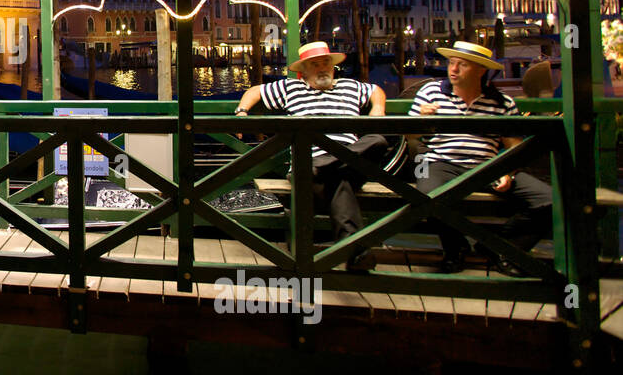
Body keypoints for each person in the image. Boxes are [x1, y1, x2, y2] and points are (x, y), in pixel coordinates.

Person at [234, 41, 388, 271]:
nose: (322, 68)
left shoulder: (349, 86)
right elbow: (255, 91)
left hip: (334, 164)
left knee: (378, 142)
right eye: (315, 64)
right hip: (314, 167)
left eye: (326, 62)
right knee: (338, 179)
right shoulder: (291, 88)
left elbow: (376, 91)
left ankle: (327, 165)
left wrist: (378, 109)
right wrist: (242, 111)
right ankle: (356, 250)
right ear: (303, 71)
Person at [410, 40, 552, 275]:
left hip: (487, 166)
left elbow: (515, 148)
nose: (453, 70)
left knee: (549, 201)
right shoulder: (429, 93)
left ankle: (500, 247)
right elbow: (410, 136)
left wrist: (509, 171)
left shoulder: (502, 102)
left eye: (462, 65)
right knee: (426, 197)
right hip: (439, 162)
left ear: (480, 70)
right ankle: (455, 249)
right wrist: (421, 120)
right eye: (451, 63)